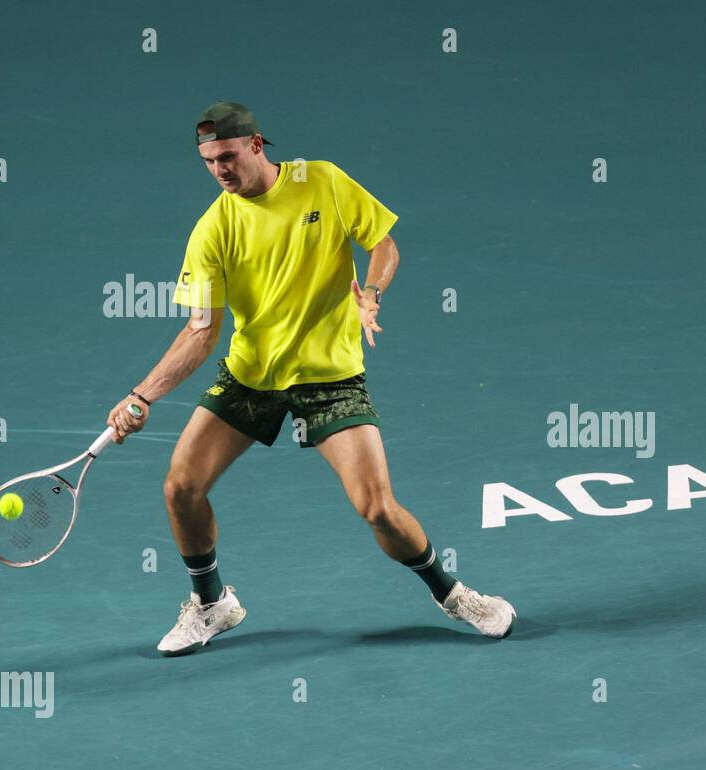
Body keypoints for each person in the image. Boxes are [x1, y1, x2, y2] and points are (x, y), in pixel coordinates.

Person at [106, 102, 515, 657]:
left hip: (330, 377)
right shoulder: (212, 230)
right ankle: (211, 603)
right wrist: (142, 394)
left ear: (256, 145)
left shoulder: (322, 181)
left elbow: (383, 243)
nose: (220, 171)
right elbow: (201, 331)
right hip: (252, 378)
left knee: (377, 508)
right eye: (208, 162)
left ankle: (454, 594)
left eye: (227, 156)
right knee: (181, 486)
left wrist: (371, 293)